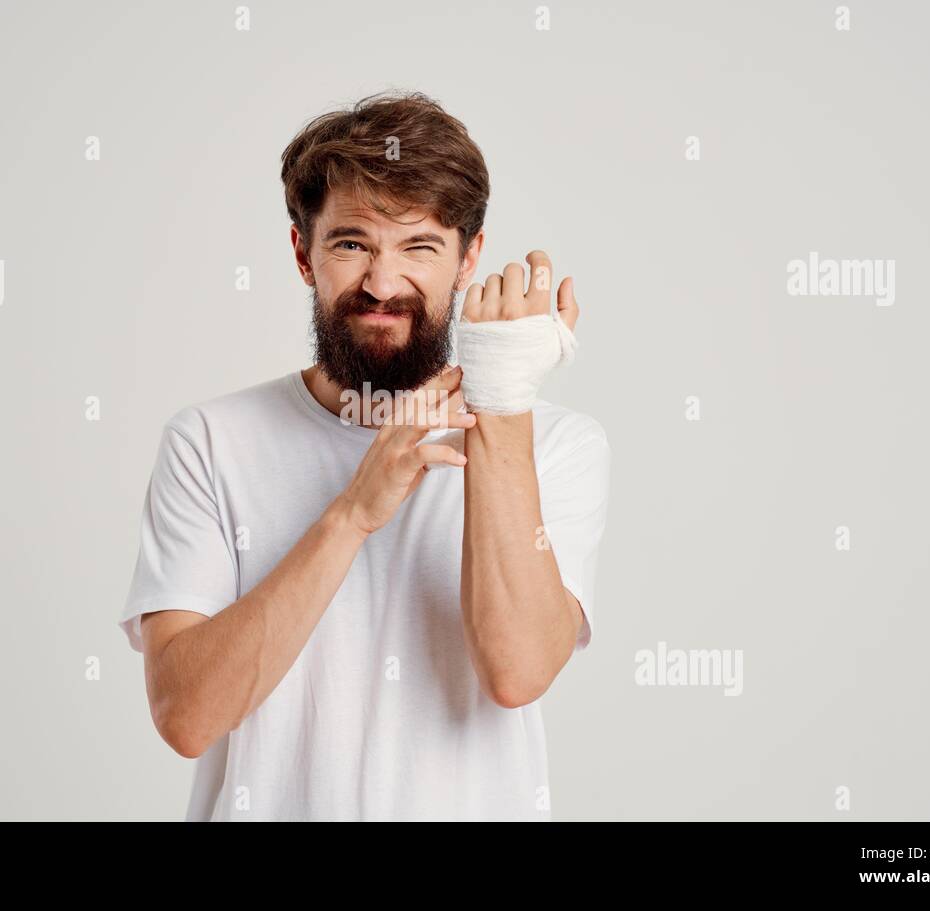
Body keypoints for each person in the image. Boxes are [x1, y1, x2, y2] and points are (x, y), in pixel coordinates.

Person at [119, 90, 611, 821]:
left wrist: (503, 403)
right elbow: (186, 717)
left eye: (419, 247)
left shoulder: (561, 444)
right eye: (352, 244)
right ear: (303, 253)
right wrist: (352, 513)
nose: (382, 284)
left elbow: (517, 672)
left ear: (469, 257)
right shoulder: (210, 441)